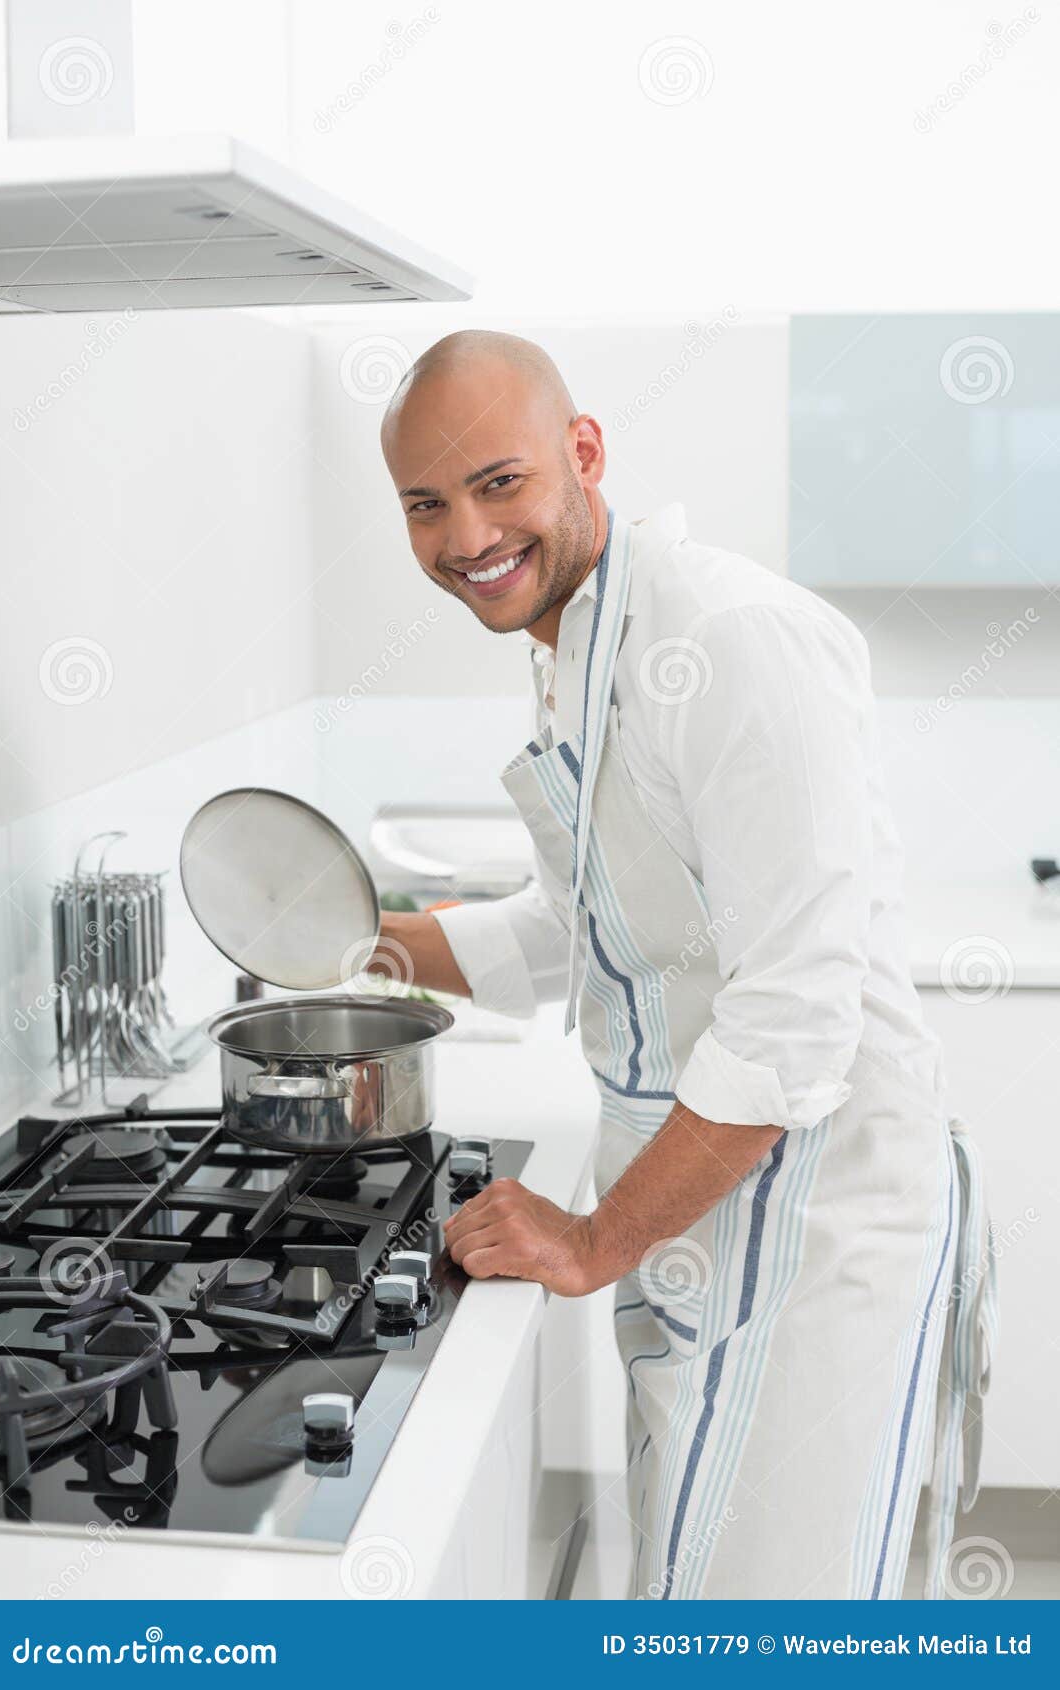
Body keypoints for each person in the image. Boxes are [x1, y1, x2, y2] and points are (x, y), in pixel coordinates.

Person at [371, 329, 995, 1600]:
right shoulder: (571, 644)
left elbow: (790, 1019)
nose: (466, 536)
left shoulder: (728, 640)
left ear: (583, 452)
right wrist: (364, 945)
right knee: (686, 1597)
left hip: (810, 1226)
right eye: (426, 506)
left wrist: (596, 1238)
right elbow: (595, 916)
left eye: (500, 483)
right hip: (692, 1204)